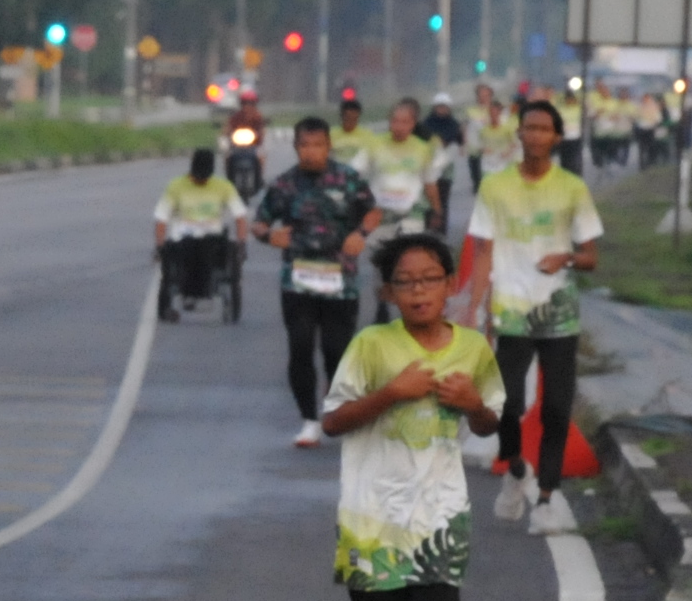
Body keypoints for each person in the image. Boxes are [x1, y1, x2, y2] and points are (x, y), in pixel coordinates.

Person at [320, 231, 504, 601]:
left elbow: (489, 421)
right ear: (389, 291)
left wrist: (472, 404)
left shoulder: (473, 348)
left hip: (440, 518)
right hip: (374, 519)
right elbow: (334, 421)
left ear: (450, 285)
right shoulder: (372, 347)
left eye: (430, 279)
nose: (420, 291)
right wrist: (393, 392)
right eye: (407, 282)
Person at [459, 98, 604, 535]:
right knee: (508, 404)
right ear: (518, 135)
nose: (537, 135)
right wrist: (472, 310)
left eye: (545, 129)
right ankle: (517, 468)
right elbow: (483, 251)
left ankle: (546, 497)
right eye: (530, 128)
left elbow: (592, 257)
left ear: (557, 138)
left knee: (558, 407)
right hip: (510, 309)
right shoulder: (494, 188)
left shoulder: (573, 189)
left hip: (558, 310)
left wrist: (568, 257)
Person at [253, 116, 377, 448]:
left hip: (341, 281)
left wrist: (360, 234)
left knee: (336, 351)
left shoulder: (347, 179)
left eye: (318, 145)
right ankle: (309, 420)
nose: (311, 152)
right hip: (299, 282)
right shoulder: (285, 184)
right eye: (304, 146)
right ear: (295, 148)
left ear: (328, 146)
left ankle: (335, 410)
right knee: (300, 346)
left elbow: (372, 211)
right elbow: (260, 222)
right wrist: (269, 236)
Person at [152, 147, 250, 321]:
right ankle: (182, 296)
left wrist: (242, 243)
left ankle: (199, 289)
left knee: (211, 247)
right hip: (183, 238)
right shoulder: (176, 186)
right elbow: (161, 219)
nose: (201, 180)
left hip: (213, 238)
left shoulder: (223, 187)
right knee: (183, 249)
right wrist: (159, 245)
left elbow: (240, 217)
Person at [357, 96, 450, 249]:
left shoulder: (423, 149)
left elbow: (429, 183)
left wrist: (437, 211)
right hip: (380, 215)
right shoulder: (373, 144)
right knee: (383, 262)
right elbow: (354, 173)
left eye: (405, 122)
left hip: (412, 214)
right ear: (389, 121)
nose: (399, 126)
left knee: (405, 258)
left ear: (413, 124)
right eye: (395, 121)